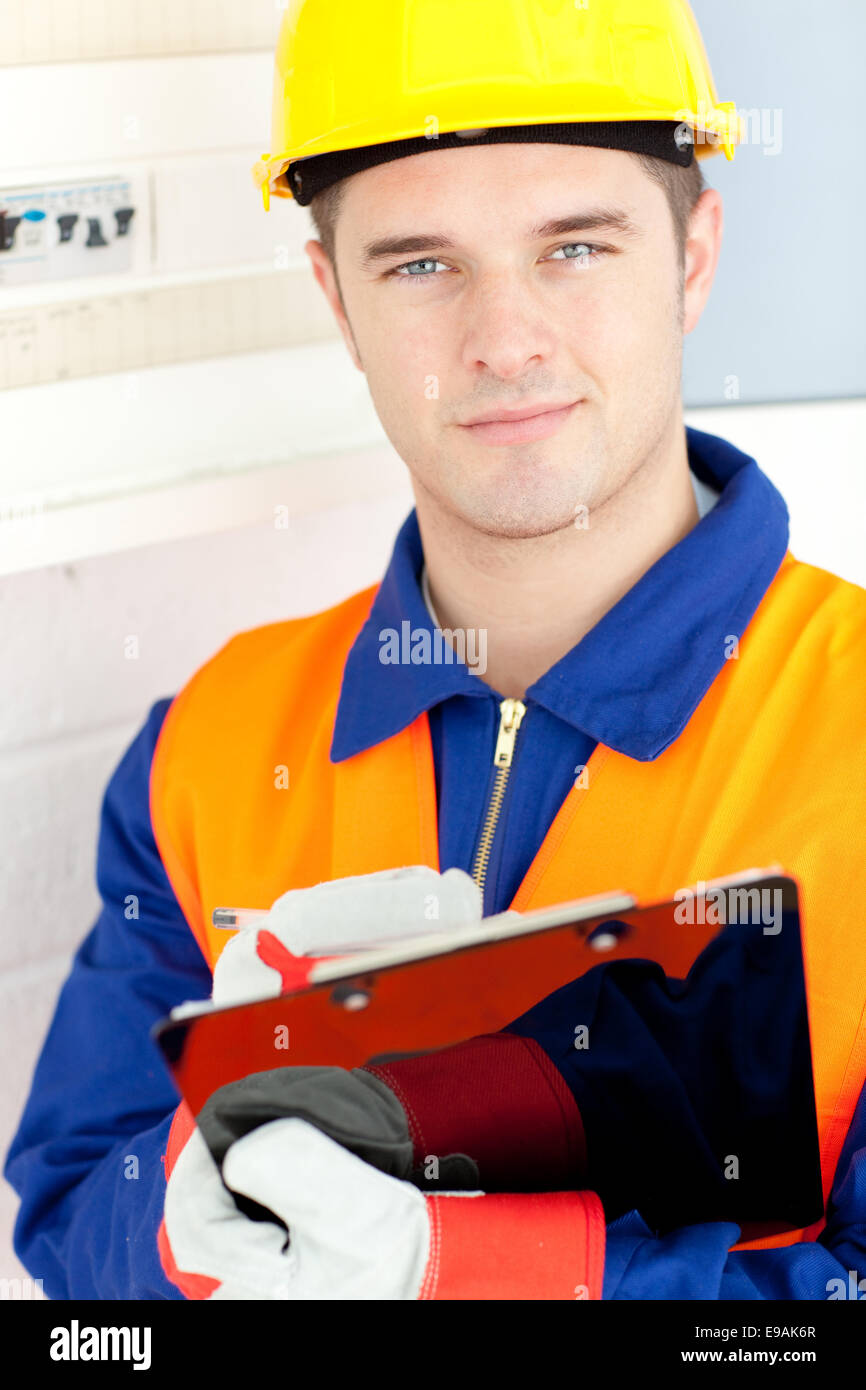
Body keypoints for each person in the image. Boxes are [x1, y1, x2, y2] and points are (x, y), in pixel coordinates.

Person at [6, 0, 866, 1300]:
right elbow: (77, 1203)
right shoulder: (213, 746)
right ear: (335, 300)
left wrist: (472, 1269)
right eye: (419, 265)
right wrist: (187, 1217)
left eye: (572, 247)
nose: (502, 339)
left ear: (692, 256)